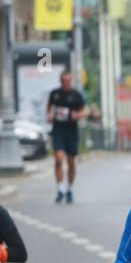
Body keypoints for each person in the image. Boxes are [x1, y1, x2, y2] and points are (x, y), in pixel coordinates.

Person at [46, 71, 87, 204]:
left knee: (70, 161)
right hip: (58, 130)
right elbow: (50, 109)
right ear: (61, 81)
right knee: (58, 158)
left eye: (68, 80)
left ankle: (69, 188)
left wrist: (77, 115)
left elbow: (83, 111)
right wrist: (50, 115)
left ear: (71, 81)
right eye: (64, 80)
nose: (66, 83)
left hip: (71, 131)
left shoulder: (76, 95)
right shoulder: (55, 94)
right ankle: (60, 188)